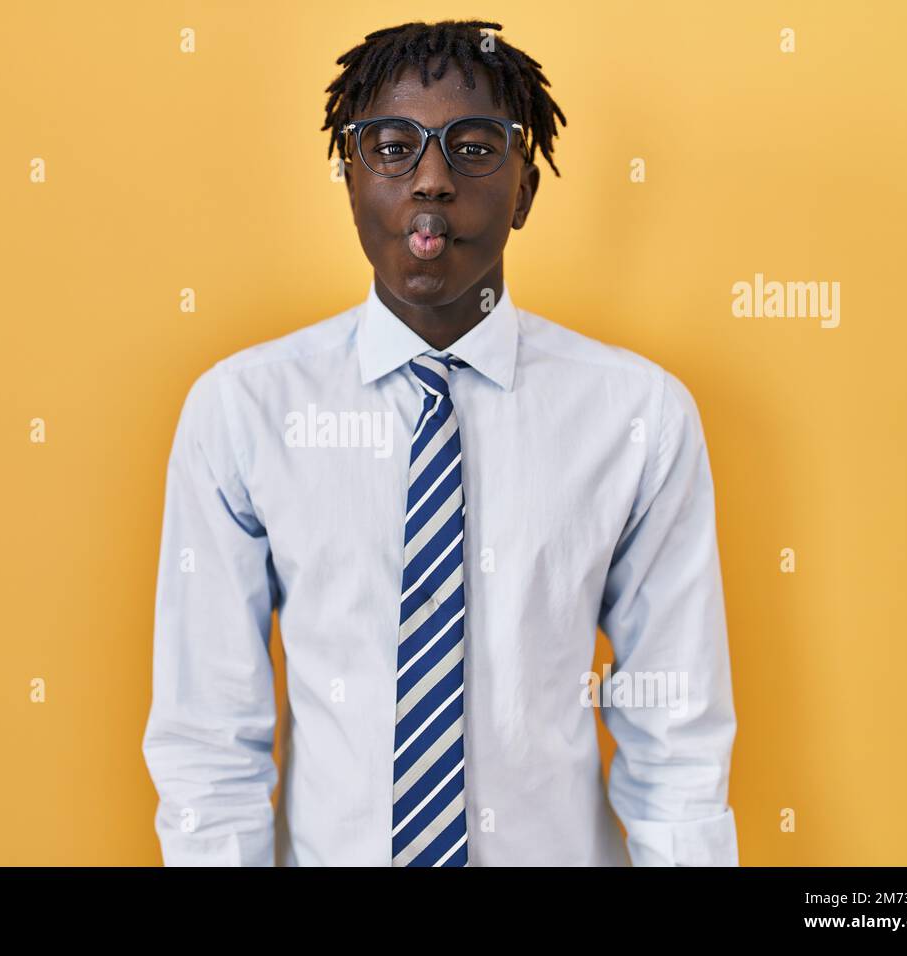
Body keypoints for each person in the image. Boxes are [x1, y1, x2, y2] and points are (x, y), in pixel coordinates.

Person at [142, 18, 738, 867]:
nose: (431, 180)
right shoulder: (242, 412)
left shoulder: (638, 416)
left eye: (472, 147)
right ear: (349, 179)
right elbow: (209, 742)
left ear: (526, 187)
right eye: (392, 146)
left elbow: (676, 740)